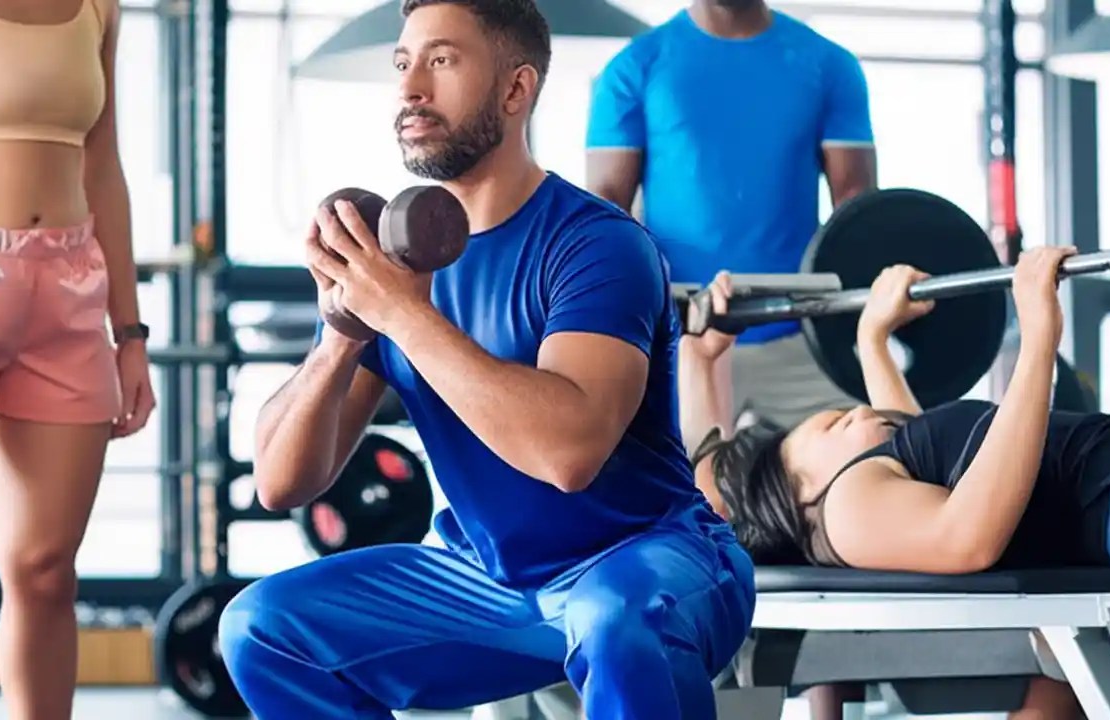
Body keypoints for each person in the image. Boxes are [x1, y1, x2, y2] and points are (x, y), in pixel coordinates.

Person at [217, 1, 755, 718]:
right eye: (403, 63)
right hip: (486, 580)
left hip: (648, 562)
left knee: (617, 620)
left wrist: (402, 311)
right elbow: (282, 482)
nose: (411, 88)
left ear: (515, 90)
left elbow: (569, 454)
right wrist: (346, 327)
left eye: (442, 61)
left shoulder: (597, 245)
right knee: (264, 628)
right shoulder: (394, 269)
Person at [679, 251, 1110, 719]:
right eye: (833, 424)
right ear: (808, 493)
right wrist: (1038, 336)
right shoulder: (845, 512)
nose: (855, 411)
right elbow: (967, 537)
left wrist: (872, 338)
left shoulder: (876, 483)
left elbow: (917, 439)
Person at [0, 1, 156, 718]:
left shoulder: (100, 7)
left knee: (45, 572)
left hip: (70, 290)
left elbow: (104, 168)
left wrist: (130, 333)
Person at [586, 0, 878, 429]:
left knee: (864, 465)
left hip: (800, 337)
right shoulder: (635, 67)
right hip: (679, 337)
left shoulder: (829, 64)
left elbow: (855, 204)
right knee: (676, 490)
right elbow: (607, 205)